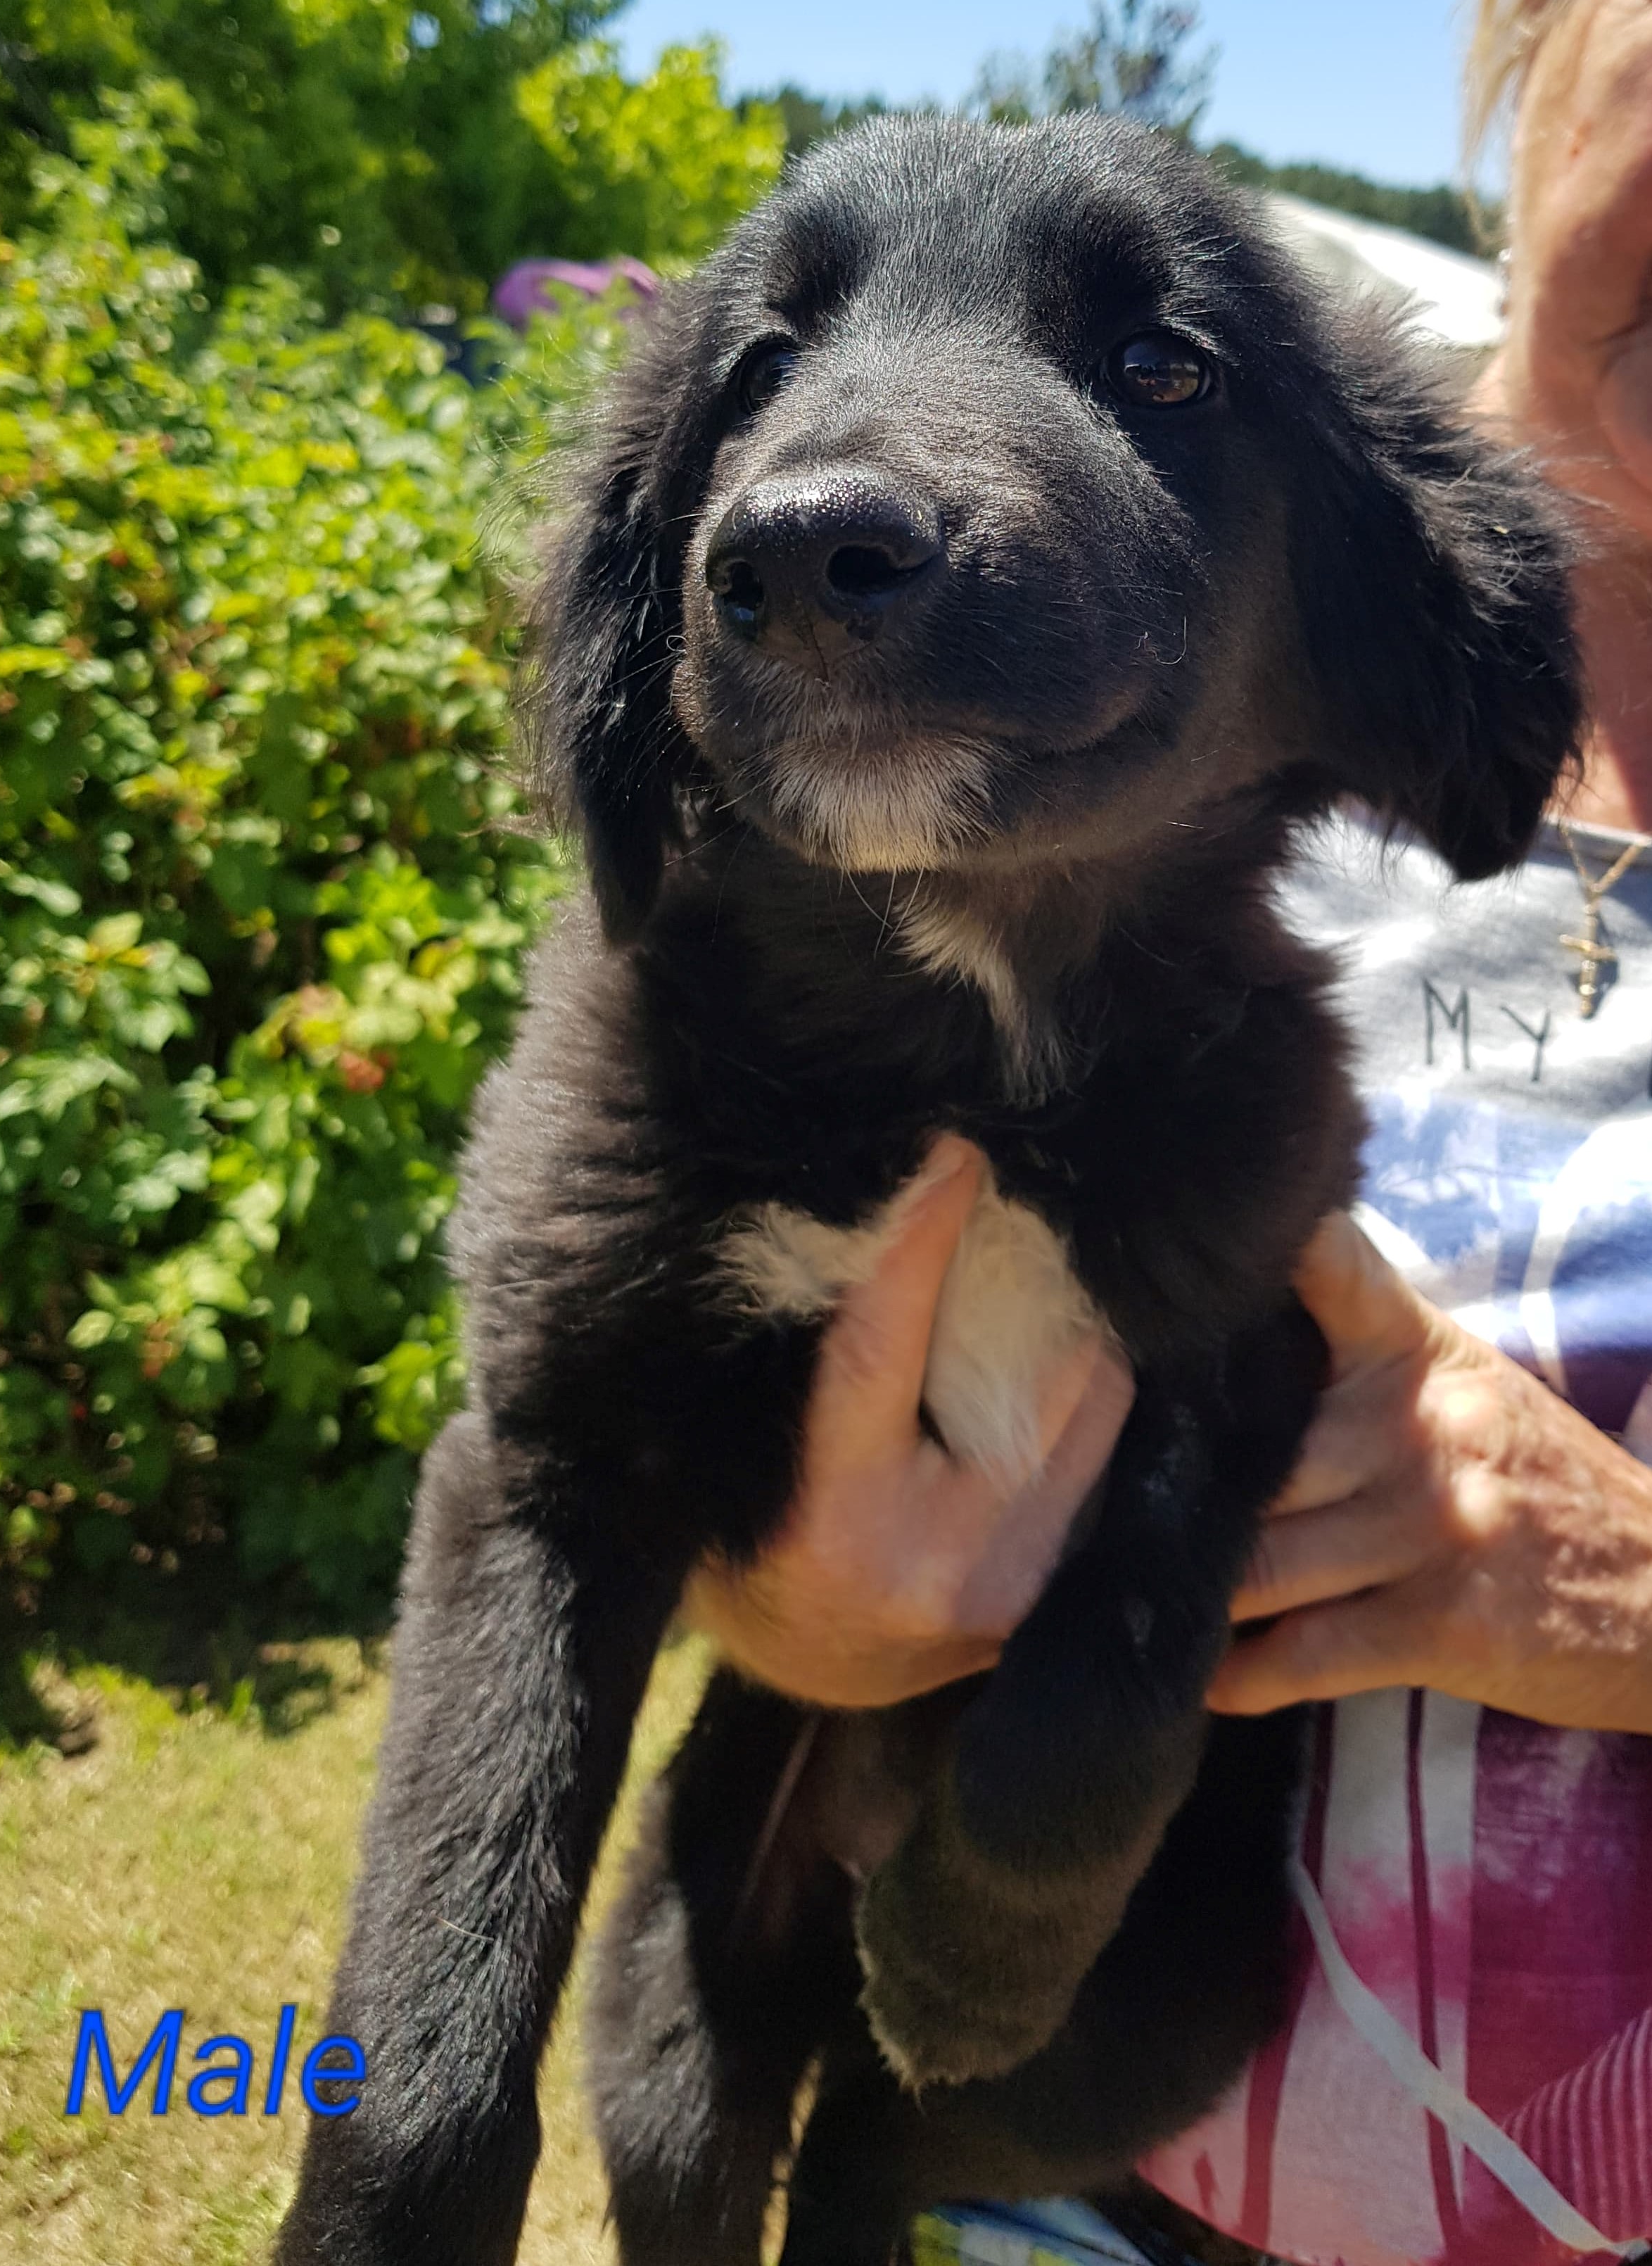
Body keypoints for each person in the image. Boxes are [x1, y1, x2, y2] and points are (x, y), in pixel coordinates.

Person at [683, 4, 1652, 2260]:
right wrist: (793, 1598)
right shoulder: (1126, 577)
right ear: (1535, 67)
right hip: (1075, 2173)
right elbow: (702, 1272)